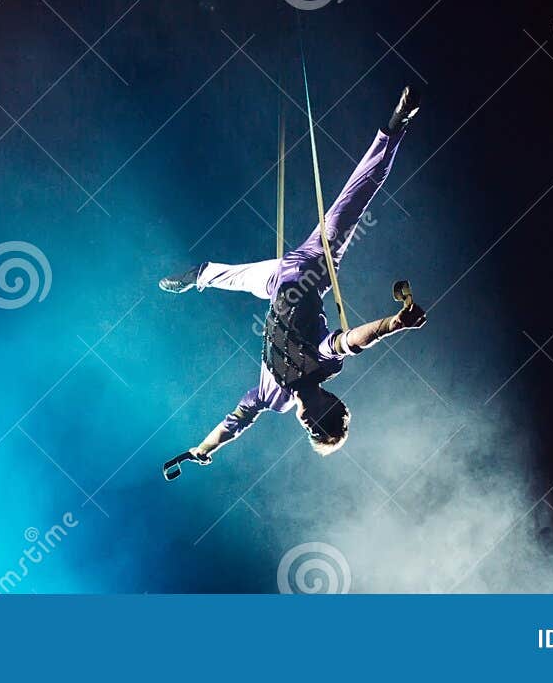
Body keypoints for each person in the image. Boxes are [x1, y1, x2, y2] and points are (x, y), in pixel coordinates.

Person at [159, 85, 426, 464]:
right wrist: (394, 324)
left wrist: (200, 450)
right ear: (329, 405)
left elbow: (236, 421)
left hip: (273, 283)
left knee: (231, 277)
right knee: (356, 199)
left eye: (313, 434)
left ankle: (200, 273)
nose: (310, 427)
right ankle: (395, 127)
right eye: (321, 425)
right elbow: (354, 339)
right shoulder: (325, 362)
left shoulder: (274, 399)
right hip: (312, 267)